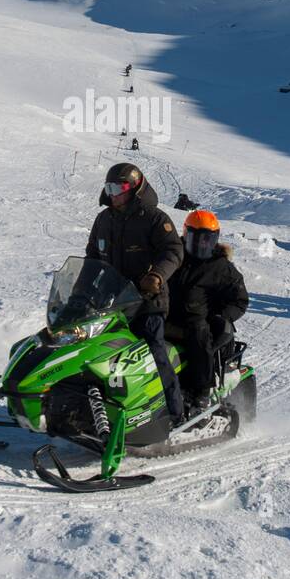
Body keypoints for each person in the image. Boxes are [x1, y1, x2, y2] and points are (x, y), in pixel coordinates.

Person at [85, 163, 184, 421]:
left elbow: (173, 251)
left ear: (136, 188)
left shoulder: (154, 218)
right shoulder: (104, 220)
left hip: (148, 301)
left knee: (152, 349)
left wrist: (156, 276)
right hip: (112, 302)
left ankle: (175, 413)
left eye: (119, 187)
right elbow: (92, 258)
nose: (114, 193)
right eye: (110, 188)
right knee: (95, 351)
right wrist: (78, 294)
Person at [168, 210, 248, 411]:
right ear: (186, 234)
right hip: (168, 314)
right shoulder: (174, 255)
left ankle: (201, 391)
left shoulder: (220, 266)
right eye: (198, 237)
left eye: (208, 238)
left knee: (199, 334)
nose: (202, 243)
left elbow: (239, 300)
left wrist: (222, 317)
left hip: (199, 320)